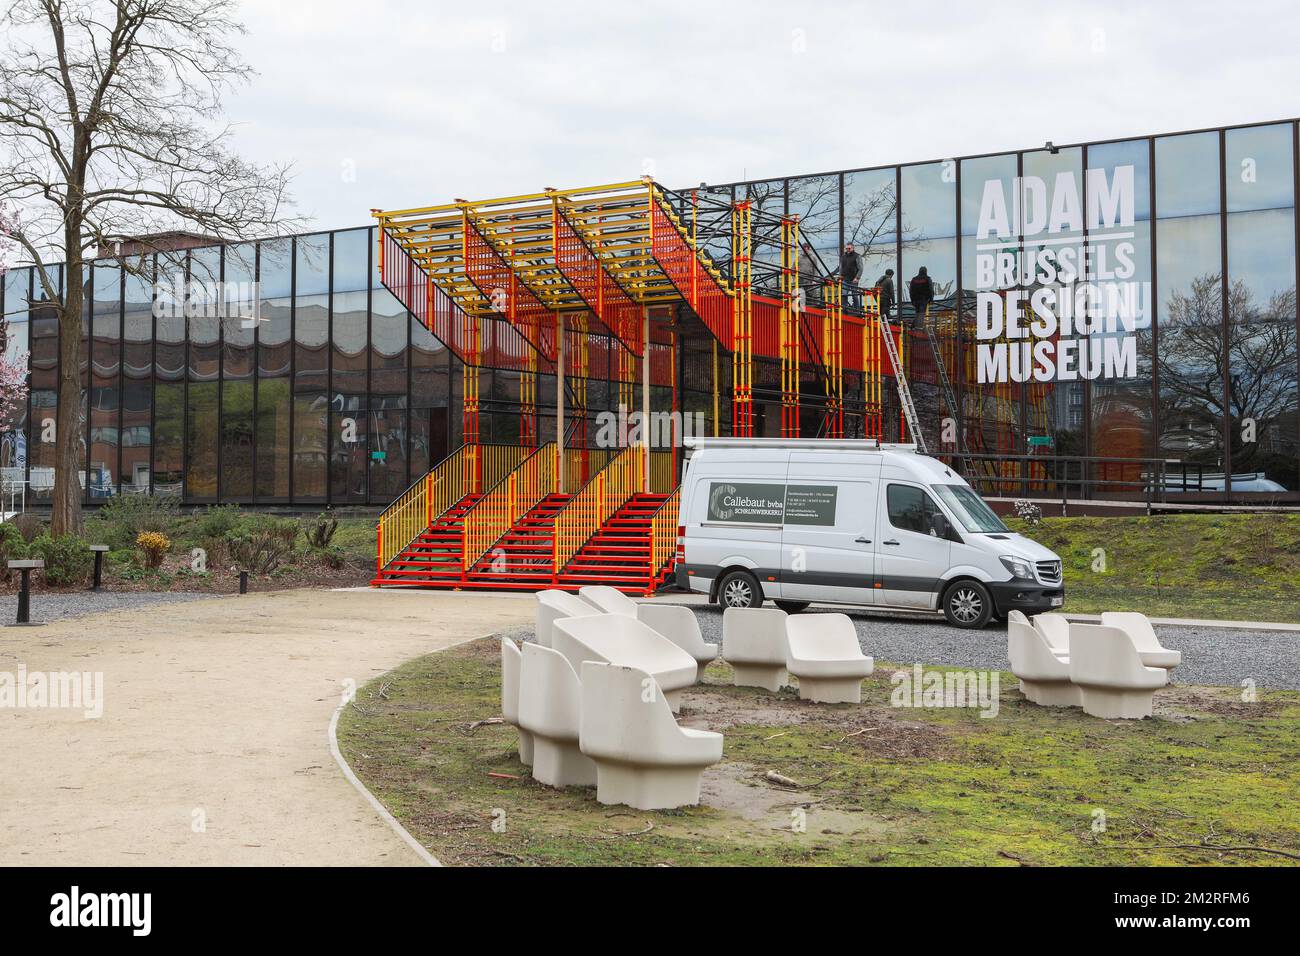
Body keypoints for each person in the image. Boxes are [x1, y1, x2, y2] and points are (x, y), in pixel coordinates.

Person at [839, 242, 864, 309]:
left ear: (853, 248)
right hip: (845, 279)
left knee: (855, 295)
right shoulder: (843, 257)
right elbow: (841, 267)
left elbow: (860, 268)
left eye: (849, 248)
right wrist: (840, 276)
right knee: (844, 294)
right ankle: (844, 309)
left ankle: (857, 309)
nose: (848, 250)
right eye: (846, 248)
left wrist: (857, 277)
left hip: (854, 279)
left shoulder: (857, 256)